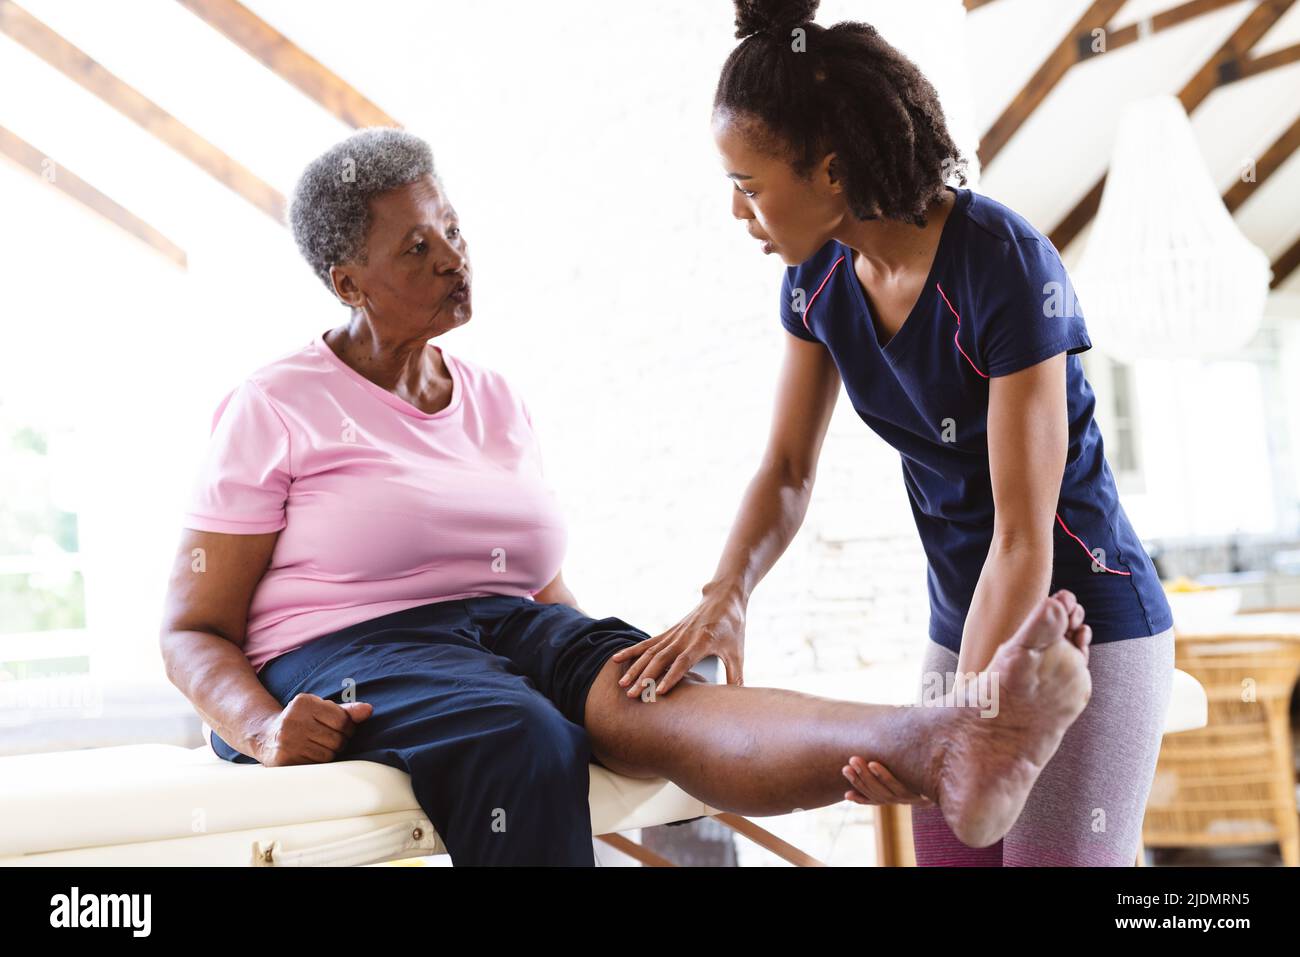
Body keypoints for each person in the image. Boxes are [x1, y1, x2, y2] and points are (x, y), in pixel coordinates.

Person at [159, 126, 1093, 866]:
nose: (452, 256)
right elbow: (192, 628)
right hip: (346, 654)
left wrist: (607, 668)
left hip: (501, 629)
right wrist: (258, 727)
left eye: (453, 229)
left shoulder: (490, 397)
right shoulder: (275, 405)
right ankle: (941, 739)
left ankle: (943, 743)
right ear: (347, 281)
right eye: (416, 247)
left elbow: (535, 590)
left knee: (655, 687)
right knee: (520, 733)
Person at [611, 0, 1174, 867]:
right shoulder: (818, 279)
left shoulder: (1004, 268)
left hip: (1081, 618)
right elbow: (789, 468)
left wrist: (957, 727)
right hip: (961, 619)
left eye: (749, 185)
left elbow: (1022, 540)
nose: (737, 211)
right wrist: (728, 592)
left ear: (830, 170)